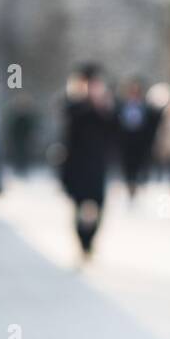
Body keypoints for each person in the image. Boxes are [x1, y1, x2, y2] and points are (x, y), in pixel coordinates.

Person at [61, 64, 116, 262]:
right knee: (79, 205)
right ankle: (82, 243)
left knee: (97, 205)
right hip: (76, 164)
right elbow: (70, 127)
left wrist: (102, 107)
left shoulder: (106, 107)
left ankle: (90, 241)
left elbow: (113, 131)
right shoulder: (74, 105)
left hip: (97, 164)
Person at [116, 79, 159, 201]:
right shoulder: (122, 106)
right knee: (128, 166)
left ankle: (137, 185)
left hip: (140, 142)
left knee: (140, 165)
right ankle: (130, 186)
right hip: (126, 142)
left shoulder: (146, 108)